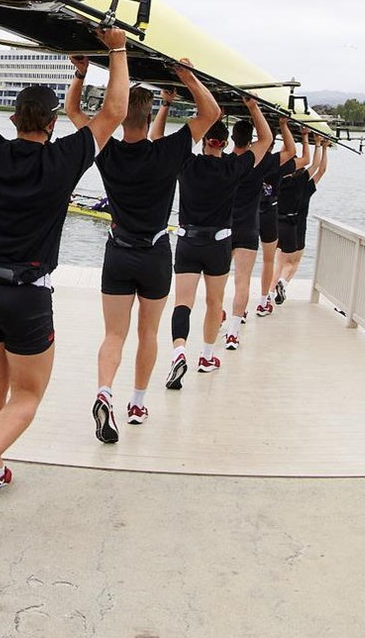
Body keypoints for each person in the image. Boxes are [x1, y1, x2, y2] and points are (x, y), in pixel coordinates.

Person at [0, 27, 129, 518]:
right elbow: (113, 112)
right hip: (27, 293)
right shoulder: (62, 159)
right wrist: (116, 49)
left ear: (12, 119)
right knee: (28, 393)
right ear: (51, 123)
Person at [84, 57, 220, 441]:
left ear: (123, 115)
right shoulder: (169, 152)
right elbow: (211, 112)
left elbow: (74, 111)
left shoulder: (105, 152)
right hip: (156, 253)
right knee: (148, 333)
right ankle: (138, 402)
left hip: (118, 251)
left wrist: (81, 73)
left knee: (114, 335)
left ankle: (103, 392)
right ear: (148, 120)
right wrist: (187, 77)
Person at [166, 96, 266, 386]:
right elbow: (266, 140)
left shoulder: (186, 164)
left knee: (182, 303)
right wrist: (252, 107)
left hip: (187, 240)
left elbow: (157, 137)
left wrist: (166, 106)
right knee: (214, 302)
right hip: (218, 244)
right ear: (223, 143)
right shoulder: (233, 168)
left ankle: (179, 350)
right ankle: (207, 357)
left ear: (204, 141)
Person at [222, 114, 277, 347]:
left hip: (223, 228)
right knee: (242, 281)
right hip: (247, 230)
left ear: (232, 139)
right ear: (250, 140)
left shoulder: (222, 163)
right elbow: (275, 144)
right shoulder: (258, 163)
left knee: (218, 282)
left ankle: (217, 316)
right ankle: (233, 332)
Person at [272, 130, 327, 303]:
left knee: (279, 262)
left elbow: (284, 157)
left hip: (275, 222)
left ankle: (269, 294)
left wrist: (292, 140)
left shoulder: (280, 180)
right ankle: (283, 283)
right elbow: (320, 168)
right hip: (296, 224)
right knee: (293, 262)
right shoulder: (303, 184)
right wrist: (322, 147)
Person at [255, 116, 299, 316]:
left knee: (238, 266)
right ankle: (264, 300)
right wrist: (284, 125)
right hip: (269, 214)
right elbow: (296, 154)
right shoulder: (274, 163)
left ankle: (223, 309)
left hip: (245, 215)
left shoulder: (245, 158)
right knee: (268, 260)